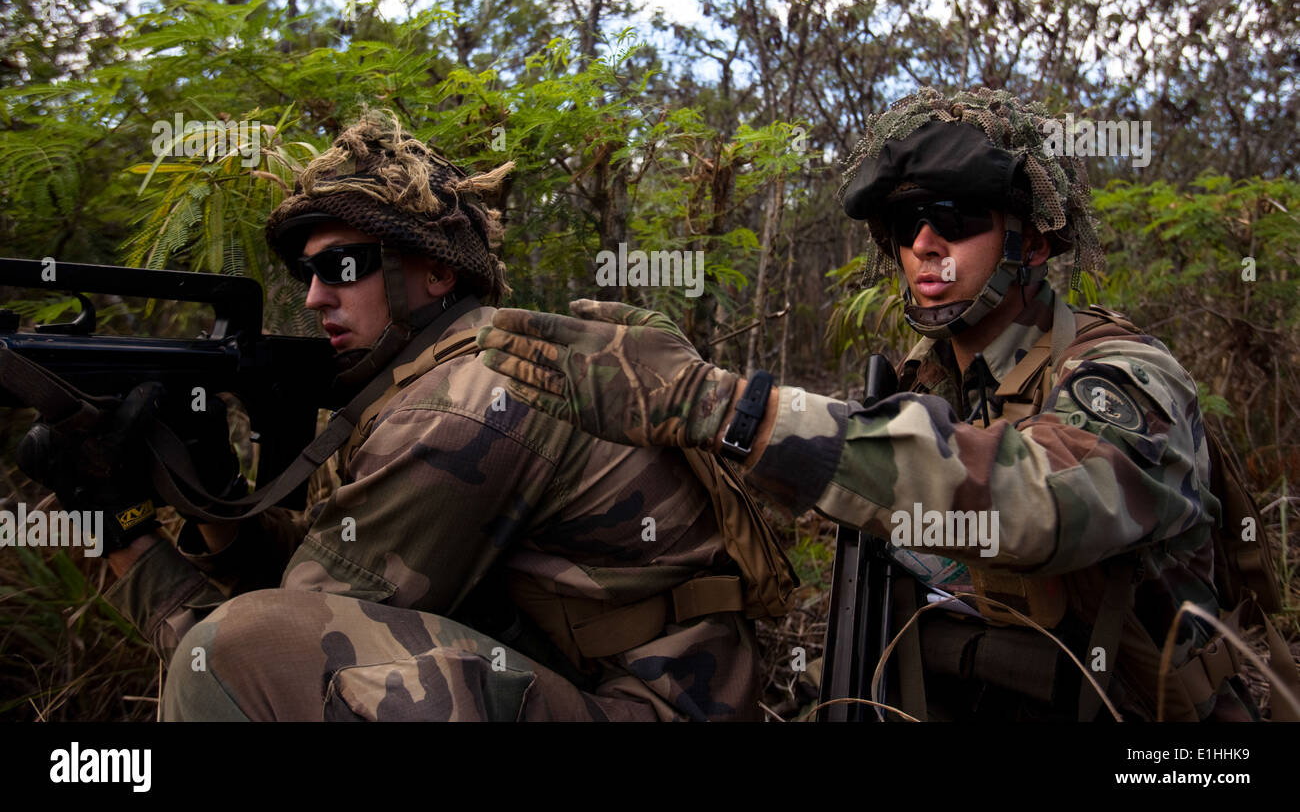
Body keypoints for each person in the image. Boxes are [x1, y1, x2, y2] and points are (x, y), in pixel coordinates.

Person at [479, 87, 1267, 721]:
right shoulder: (920, 385)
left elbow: (1039, 502)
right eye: (904, 222)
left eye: (956, 218)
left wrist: (722, 405)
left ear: (1031, 239)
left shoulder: (1123, 372)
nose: (925, 243)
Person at [17, 112, 761, 721]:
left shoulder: (464, 404)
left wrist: (121, 538)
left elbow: (273, 655)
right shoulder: (454, 368)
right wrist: (212, 493)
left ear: (437, 270)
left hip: (657, 706)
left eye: (342, 267)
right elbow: (320, 592)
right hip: (614, 681)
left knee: (241, 649)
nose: (314, 298)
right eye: (308, 273)